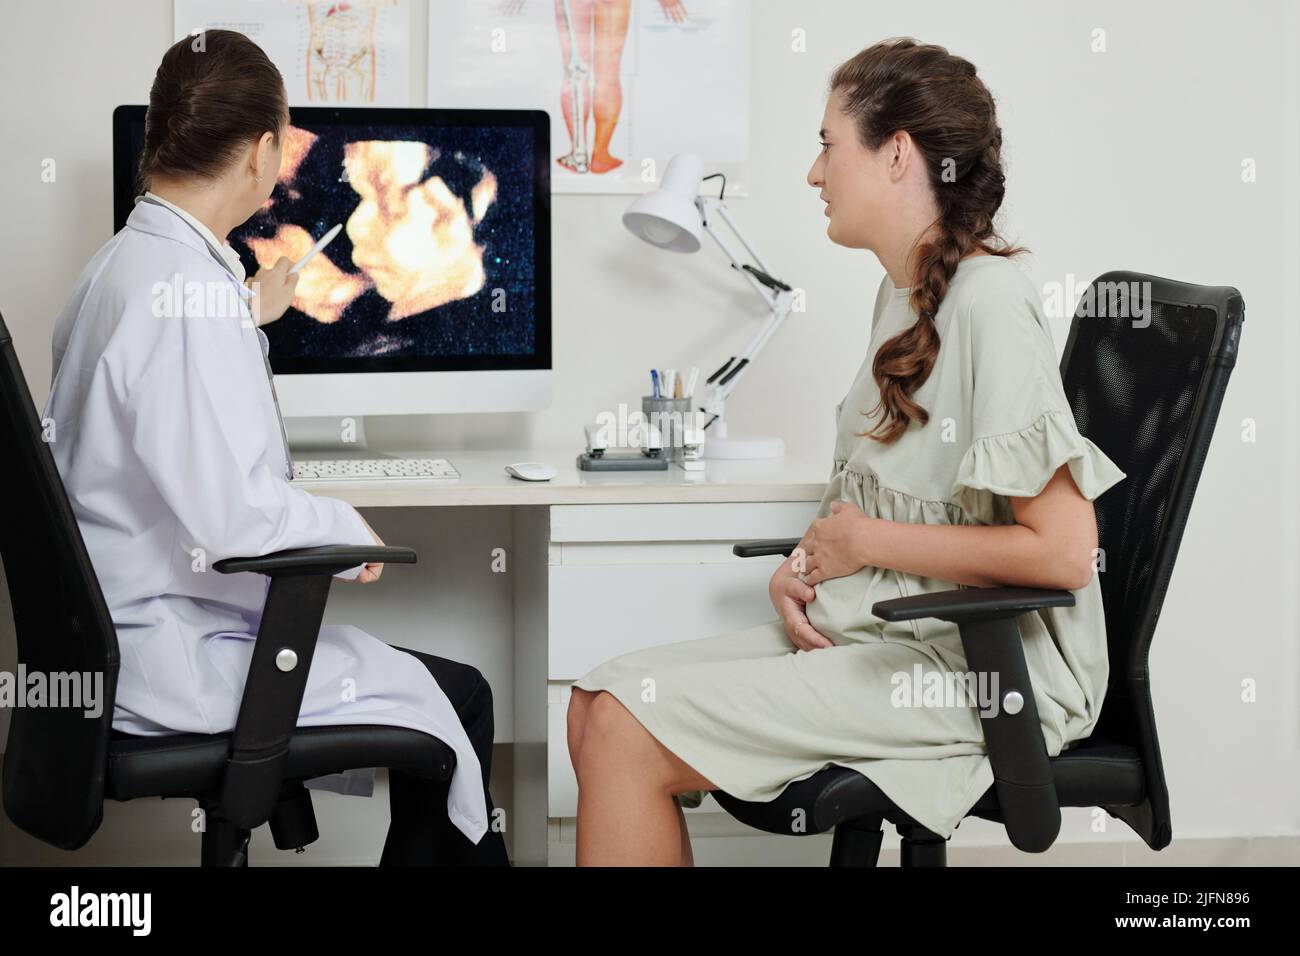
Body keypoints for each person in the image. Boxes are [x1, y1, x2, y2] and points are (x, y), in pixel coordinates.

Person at [567, 37, 1128, 866]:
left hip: (989, 673)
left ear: (897, 154)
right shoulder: (901, 292)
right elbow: (895, 490)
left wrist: (862, 545)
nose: (814, 172)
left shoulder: (990, 303)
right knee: (594, 699)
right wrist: (810, 564)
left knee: (621, 726)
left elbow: (1066, 552)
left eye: (828, 144)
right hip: (897, 635)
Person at [42, 30, 507, 866]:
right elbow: (237, 520)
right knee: (461, 700)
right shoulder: (185, 299)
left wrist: (240, 311)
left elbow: (160, 386)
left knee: (441, 694)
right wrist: (345, 529)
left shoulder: (120, 270)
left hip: (121, 637)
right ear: (262, 150)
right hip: (169, 659)